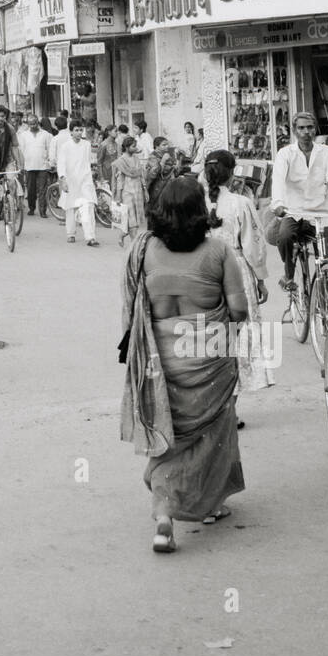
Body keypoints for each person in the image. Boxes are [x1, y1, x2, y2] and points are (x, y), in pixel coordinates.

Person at [121, 178, 248, 554]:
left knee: (168, 431)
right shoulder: (219, 251)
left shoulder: (143, 251)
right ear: (200, 211)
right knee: (214, 430)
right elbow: (239, 310)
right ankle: (191, 507)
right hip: (210, 357)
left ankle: (173, 513)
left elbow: (132, 310)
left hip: (160, 361)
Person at [201, 149, 273, 400]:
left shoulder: (195, 201)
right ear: (232, 174)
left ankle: (212, 396)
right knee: (240, 332)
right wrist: (260, 279)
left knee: (209, 332)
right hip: (236, 269)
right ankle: (231, 398)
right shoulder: (241, 203)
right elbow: (254, 246)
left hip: (203, 272)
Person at [270, 111, 328, 290]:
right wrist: (278, 204)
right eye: (301, 128)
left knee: (327, 259)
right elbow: (277, 179)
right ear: (294, 131)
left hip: (320, 211)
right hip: (293, 211)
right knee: (285, 237)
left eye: (309, 127)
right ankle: (288, 274)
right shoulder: (285, 153)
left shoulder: (326, 152)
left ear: (315, 129)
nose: (306, 131)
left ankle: (327, 301)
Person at [56, 119, 99, 247]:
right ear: (71, 132)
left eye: (81, 130)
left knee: (88, 206)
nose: (79, 132)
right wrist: (63, 179)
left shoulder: (86, 144)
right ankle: (71, 233)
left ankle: (90, 237)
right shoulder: (65, 146)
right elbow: (61, 163)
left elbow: (88, 161)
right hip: (70, 180)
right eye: (76, 130)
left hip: (85, 180)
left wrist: (93, 175)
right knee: (71, 207)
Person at [111, 136, 146, 247]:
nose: (135, 148)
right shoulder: (121, 161)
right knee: (131, 219)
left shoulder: (136, 158)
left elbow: (141, 175)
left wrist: (145, 190)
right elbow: (119, 180)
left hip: (138, 191)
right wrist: (118, 196)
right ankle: (134, 244)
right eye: (133, 146)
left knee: (135, 218)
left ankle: (123, 234)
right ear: (126, 147)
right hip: (127, 192)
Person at [18, 114, 51, 216]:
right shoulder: (23, 135)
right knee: (31, 189)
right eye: (30, 124)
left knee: (43, 190)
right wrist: (21, 165)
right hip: (29, 166)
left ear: (38, 123)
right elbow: (20, 151)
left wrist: (50, 162)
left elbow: (50, 149)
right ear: (27, 124)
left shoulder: (46, 134)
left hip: (43, 166)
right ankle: (32, 208)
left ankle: (42, 211)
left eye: (35, 123)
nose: (33, 126)